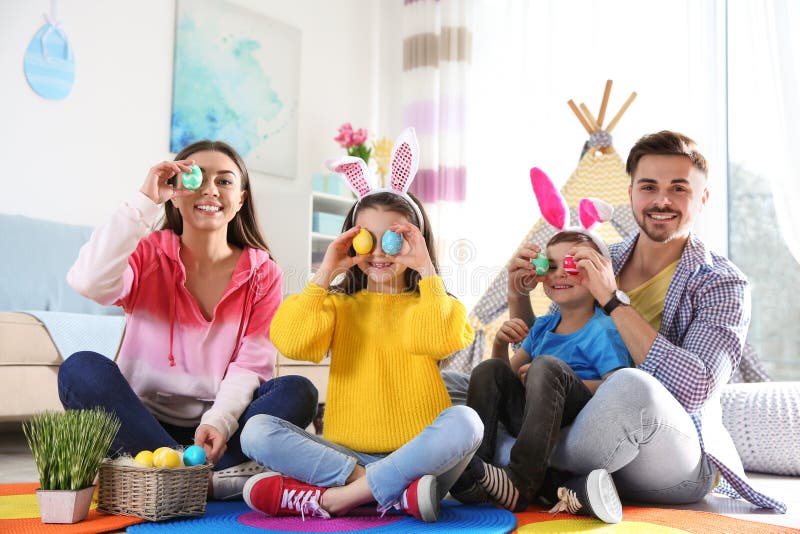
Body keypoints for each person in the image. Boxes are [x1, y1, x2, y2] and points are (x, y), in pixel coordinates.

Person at [450, 130, 786, 514]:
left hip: (668, 448)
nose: (661, 200)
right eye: (649, 187)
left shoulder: (722, 282)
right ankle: (548, 481)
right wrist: (517, 294)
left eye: (679, 188)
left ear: (703, 198)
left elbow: (695, 390)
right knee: (450, 382)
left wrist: (612, 300)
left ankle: (517, 472)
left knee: (631, 387)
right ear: (630, 195)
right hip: (569, 426)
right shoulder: (594, 255)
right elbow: (545, 346)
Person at [238, 128, 483, 523]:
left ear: (418, 242)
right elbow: (290, 340)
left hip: (421, 460)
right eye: (368, 239)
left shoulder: (435, 302)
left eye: (396, 239)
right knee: (256, 430)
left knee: (466, 422)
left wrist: (425, 269)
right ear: (352, 242)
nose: (381, 252)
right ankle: (376, 490)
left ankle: (337, 498)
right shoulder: (337, 305)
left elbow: (438, 339)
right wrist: (324, 273)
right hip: (346, 457)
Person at [58, 140, 319, 500]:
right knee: (79, 370)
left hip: (221, 431)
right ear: (176, 194)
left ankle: (169, 476)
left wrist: (218, 422)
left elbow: (251, 365)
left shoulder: (264, 273)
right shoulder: (147, 253)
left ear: (240, 199)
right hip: (142, 420)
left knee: (298, 391)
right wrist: (143, 202)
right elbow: (88, 282)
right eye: (197, 178)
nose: (210, 189)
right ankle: (210, 479)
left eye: (225, 181)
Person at [451, 170, 629, 524]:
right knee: (488, 368)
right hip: (532, 415)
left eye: (572, 265)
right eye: (550, 265)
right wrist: (500, 345)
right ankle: (478, 470)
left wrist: (552, 380)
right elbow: (506, 376)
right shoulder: (545, 325)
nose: (559, 275)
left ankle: (520, 482)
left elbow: (616, 386)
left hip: (575, 418)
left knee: (547, 366)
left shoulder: (602, 330)